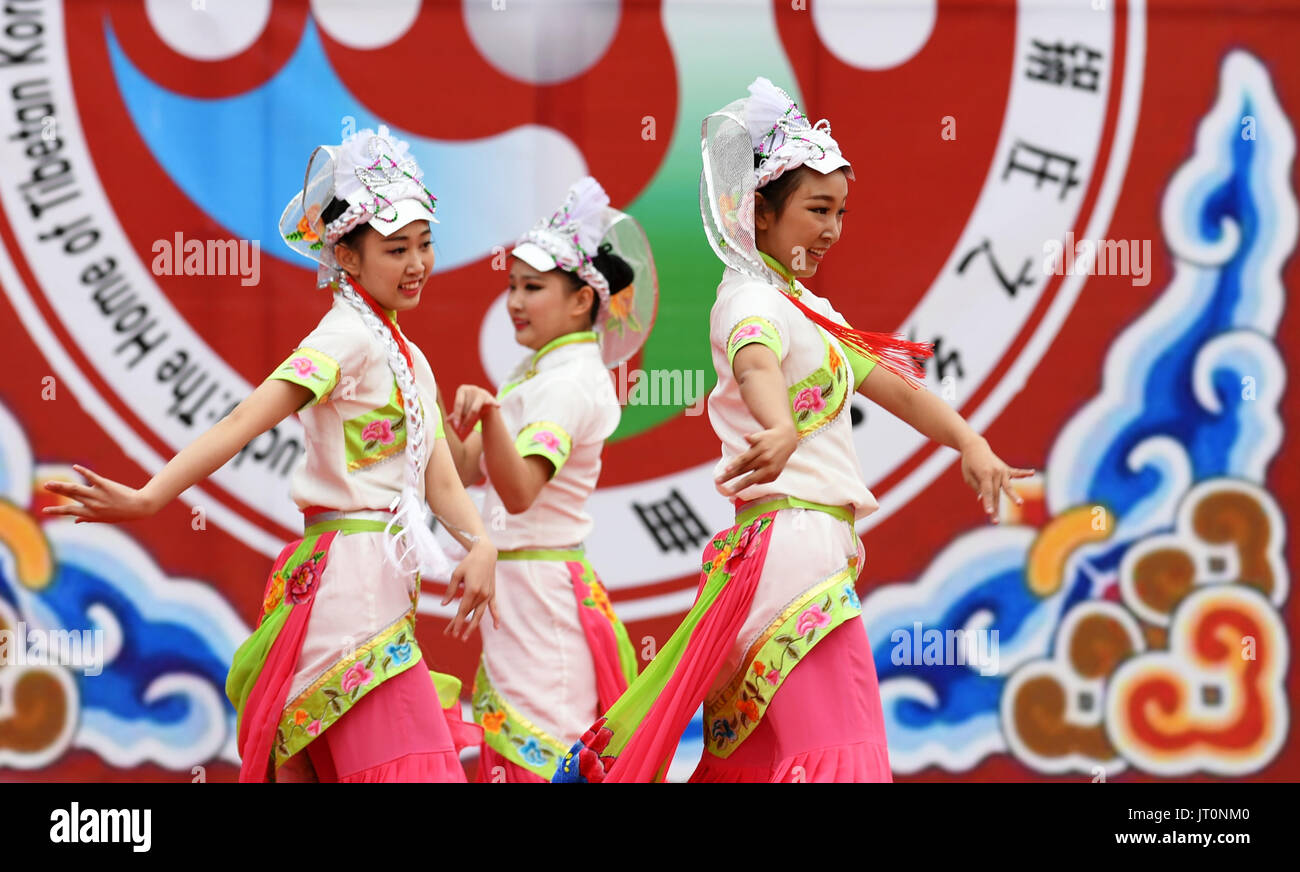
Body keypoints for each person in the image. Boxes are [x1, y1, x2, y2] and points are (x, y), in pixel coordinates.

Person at [554, 78, 1033, 783]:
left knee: (757, 762)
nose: (833, 229)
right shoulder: (749, 299)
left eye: (840, 211)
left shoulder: (805, 306)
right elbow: (755, 363)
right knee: (843, 748)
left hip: (787, 551)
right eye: (816, 209)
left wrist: (970, 443)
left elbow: (893, 386)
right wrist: (778, 425)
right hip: (794, 550)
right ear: (760, 214)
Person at [42, 126, 498, 783]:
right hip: (347, 597)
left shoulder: (406, 354)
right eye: (397, 248)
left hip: (372, 595)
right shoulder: (345, 337)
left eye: (425, 244)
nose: (418, 262)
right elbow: (244, 417)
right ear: (345, 255)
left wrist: (479, 541)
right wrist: (151, 496)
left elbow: (442, 480)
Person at [441, 177, 655, 781]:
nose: (513, 301)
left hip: (541, 595)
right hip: (521, 586)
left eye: (532, 288)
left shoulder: (567, 382)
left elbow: (518, 490)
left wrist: (486, 413)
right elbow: (462, 471)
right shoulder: (534, 374)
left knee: (547, 751)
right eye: (511, 285)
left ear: (582, 301)